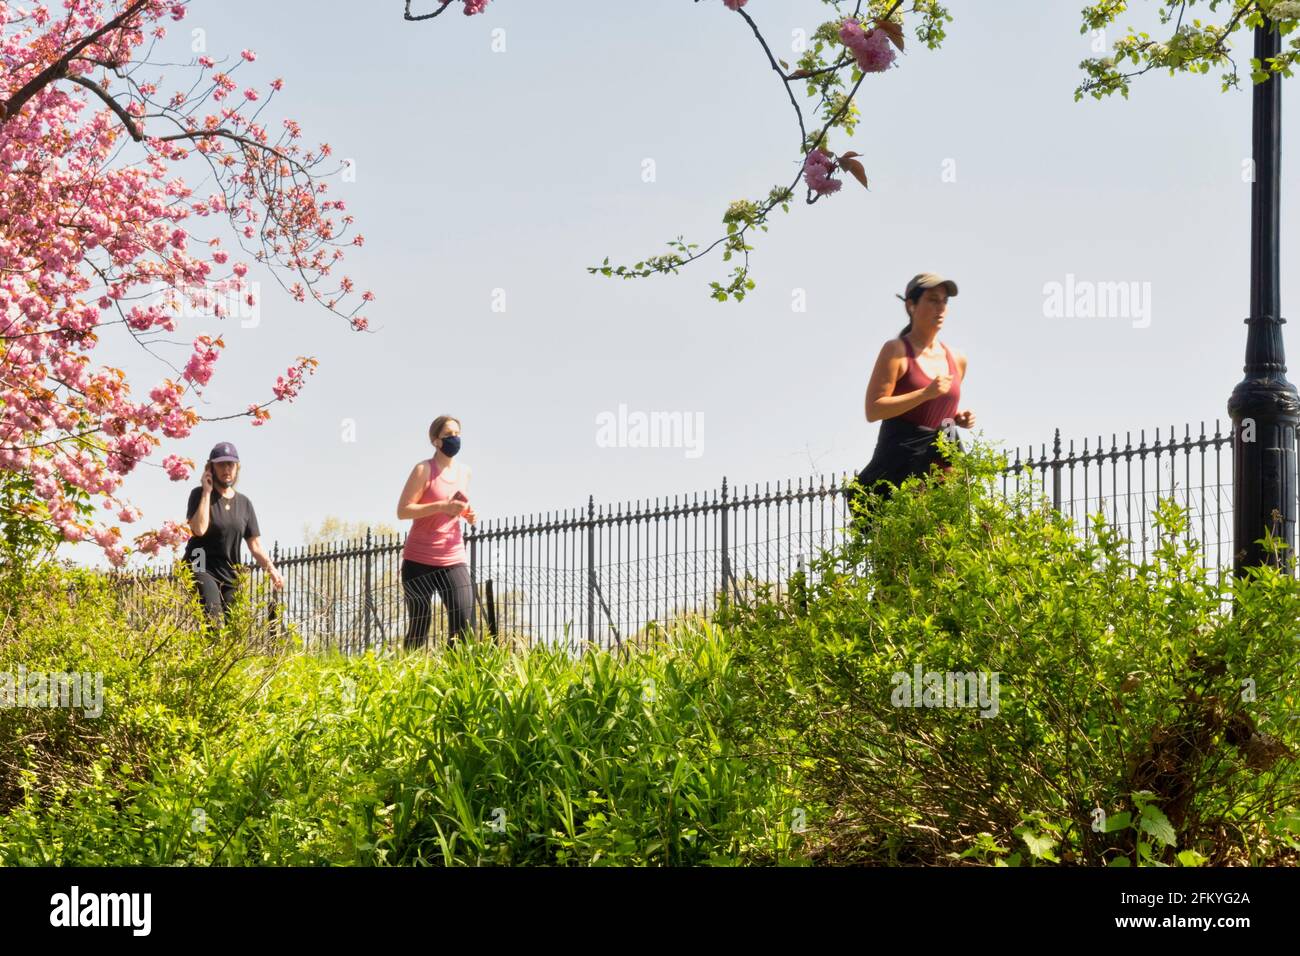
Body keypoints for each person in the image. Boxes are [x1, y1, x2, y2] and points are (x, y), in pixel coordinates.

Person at [849, 272, 977, 526]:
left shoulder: (957, 358)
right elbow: (873, 410)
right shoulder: (896, 351)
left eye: (944, 301)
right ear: (911, 305)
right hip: (901, 468)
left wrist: (959, 417)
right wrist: (924, 393)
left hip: (944, 466)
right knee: (901, 551)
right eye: (932, 300)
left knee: (948, 547)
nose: (940, 307)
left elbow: (940, 411)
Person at [396, 415, 479, 650]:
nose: (455, 439)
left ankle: (457, 675)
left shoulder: (465, 472)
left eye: (457, 434)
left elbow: (457, 506)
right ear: (435, 441)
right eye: (448, 435)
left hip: (453, 556)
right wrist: (442, 506)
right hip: (418, 559)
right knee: (420, 623)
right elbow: (403, 511)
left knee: (463, 619)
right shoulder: (423, 470)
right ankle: (408, 672)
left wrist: (467, 513)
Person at [183, 441, 283, 628]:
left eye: (231, 464)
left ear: (237, 468)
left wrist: (272, 570)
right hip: (200, 563)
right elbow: (199, 529)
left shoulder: (244, 504)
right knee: (215, 624)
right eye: (221, 464)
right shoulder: (198, 494)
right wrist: (206, 492)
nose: (226, 469)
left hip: (228, 570)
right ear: (210, 467)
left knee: (233, 629)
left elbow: (255, 545)